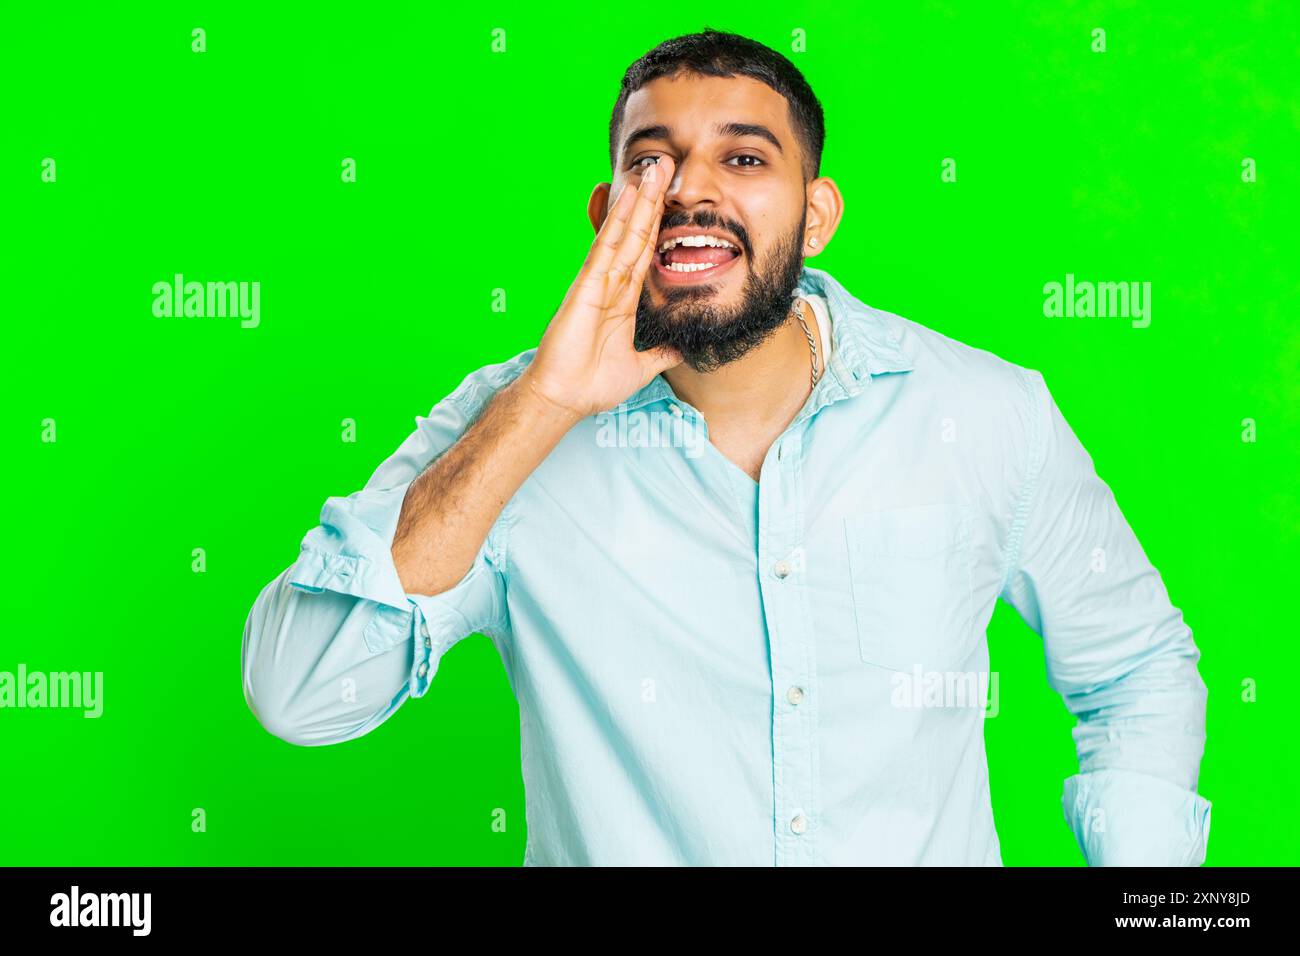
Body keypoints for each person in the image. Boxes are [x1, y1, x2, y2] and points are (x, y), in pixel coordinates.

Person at [241, 29, 1211, 866]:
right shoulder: (510, 423)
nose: (688, 190)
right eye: (649, 162)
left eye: (743, 159)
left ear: (816, 214)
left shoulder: (984, 413)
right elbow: (301, 691)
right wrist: (546, 401)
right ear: (606, 212)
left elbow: (1137, 666)